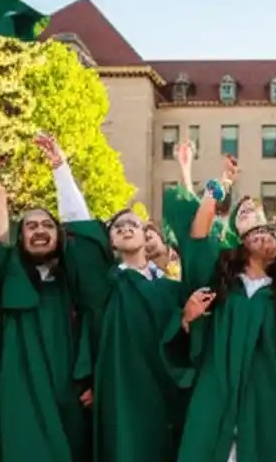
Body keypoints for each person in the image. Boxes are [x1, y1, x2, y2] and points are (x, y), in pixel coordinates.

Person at [164, 185, 276, 461]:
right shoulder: (221, 285)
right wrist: (187, 318)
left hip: (264, 409)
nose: (263, 237)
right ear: (240, 244)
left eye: (268, 233)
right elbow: (197, 239)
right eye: (255, 234)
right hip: (214, 401)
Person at [0, 135, 93, 462]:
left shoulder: (73, 282)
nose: (38, 230)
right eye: (30, 226)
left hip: (69, 393)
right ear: (20, 238)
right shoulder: (8, 281)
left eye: (47, 225)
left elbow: (83, 229)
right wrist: (2, 199)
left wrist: (60, 170)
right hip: (18, 392)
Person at [61, 182, 184, 461]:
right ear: (111, 243)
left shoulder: (170, 288)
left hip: (162, 392)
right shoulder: (105, 284)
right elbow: (80, 223)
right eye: (117, 228)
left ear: (145, 233)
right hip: (119, 390)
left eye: (132, 224)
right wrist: (60, 170)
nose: (126, 229)